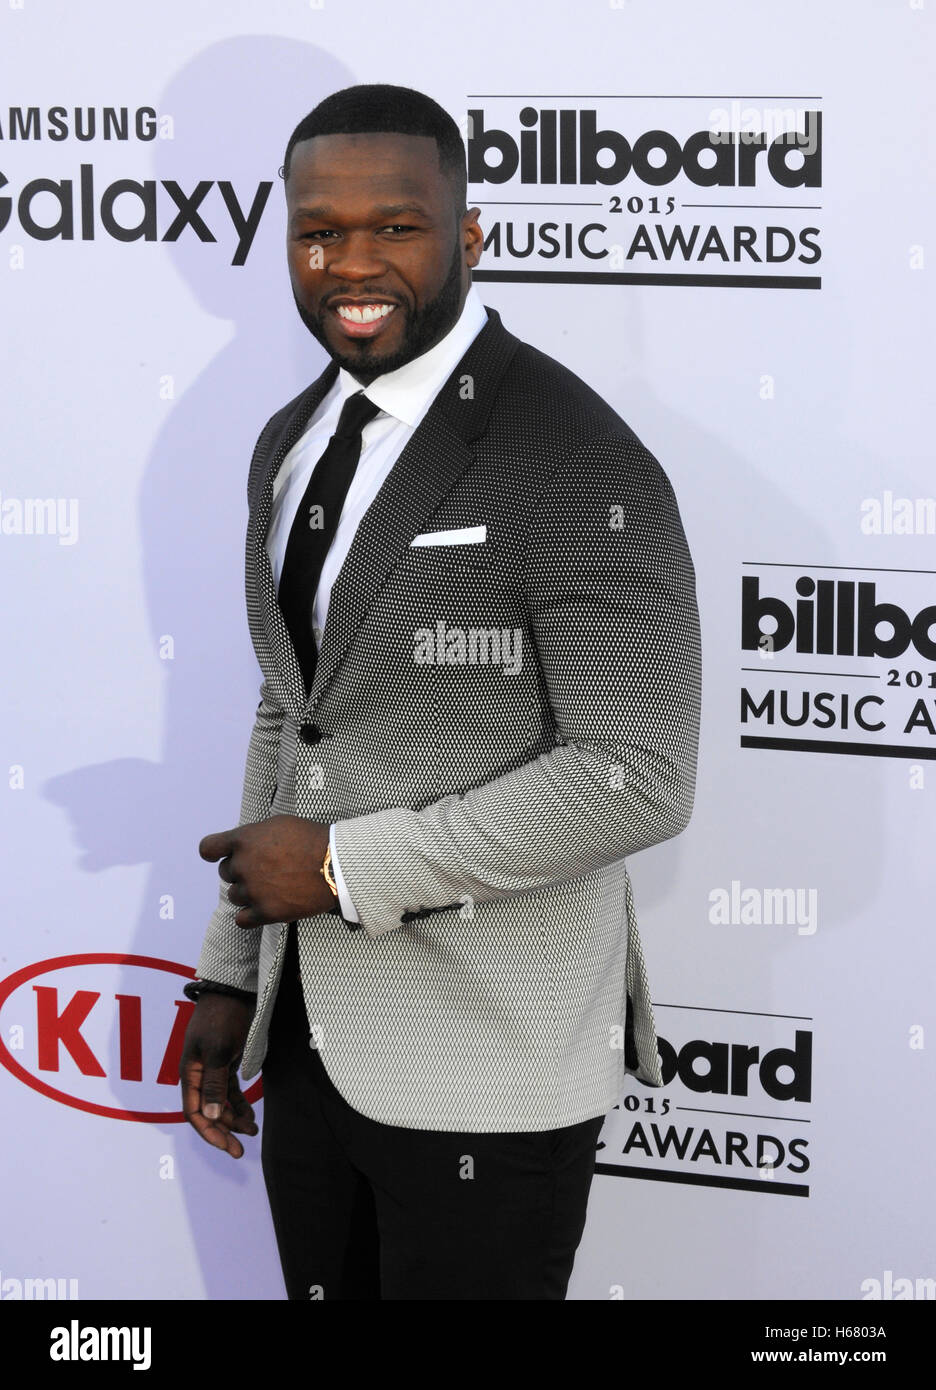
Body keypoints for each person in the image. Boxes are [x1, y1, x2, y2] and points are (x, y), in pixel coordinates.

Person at [179, 83, 702, 1301]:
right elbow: (290, 710)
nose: (351, 263)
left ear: (468, 236)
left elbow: (637, 774)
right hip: (310, 1039)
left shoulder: (573, 455)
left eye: (396, 227)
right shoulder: (292, 438)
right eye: (319, 231)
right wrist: (229, 973)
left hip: (490, 1063)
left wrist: (351, 868)